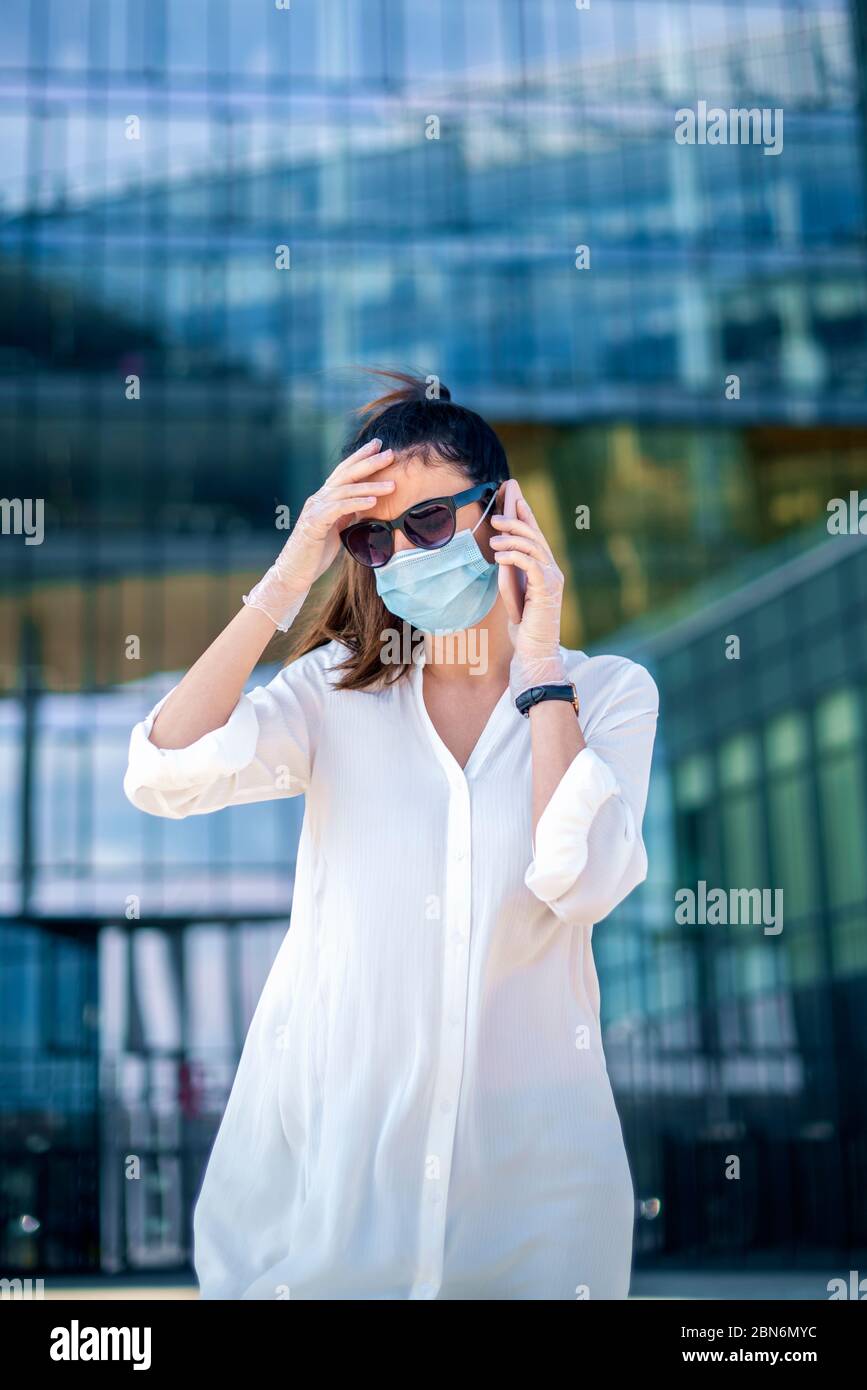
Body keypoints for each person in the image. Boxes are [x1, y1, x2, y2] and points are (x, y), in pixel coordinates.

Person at [123, 371, 659, 1300]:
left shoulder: (607, 694)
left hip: (533, 1214)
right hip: (325, 1207)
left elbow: (582, 878)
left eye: (429, 523)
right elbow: (165, 771)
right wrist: (291, 573)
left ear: (502, 513)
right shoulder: (337, 691)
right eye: (375, 537)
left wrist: (538, 667)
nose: (403, 554)